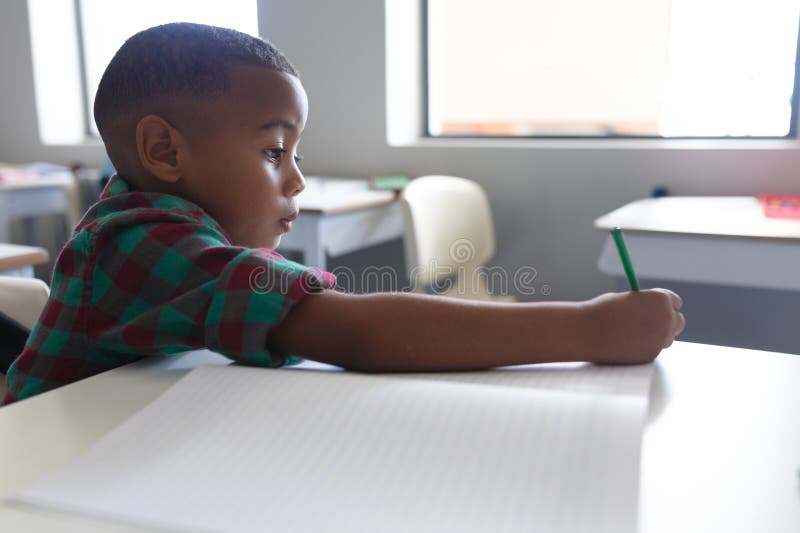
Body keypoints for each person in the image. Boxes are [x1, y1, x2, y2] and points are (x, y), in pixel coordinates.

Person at [2, 23, 684, 405]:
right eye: (274, 149)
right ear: (162, 150)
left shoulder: (172, 236)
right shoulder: (140, 240)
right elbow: (359, 333)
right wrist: (592, 327)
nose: (296, 177)